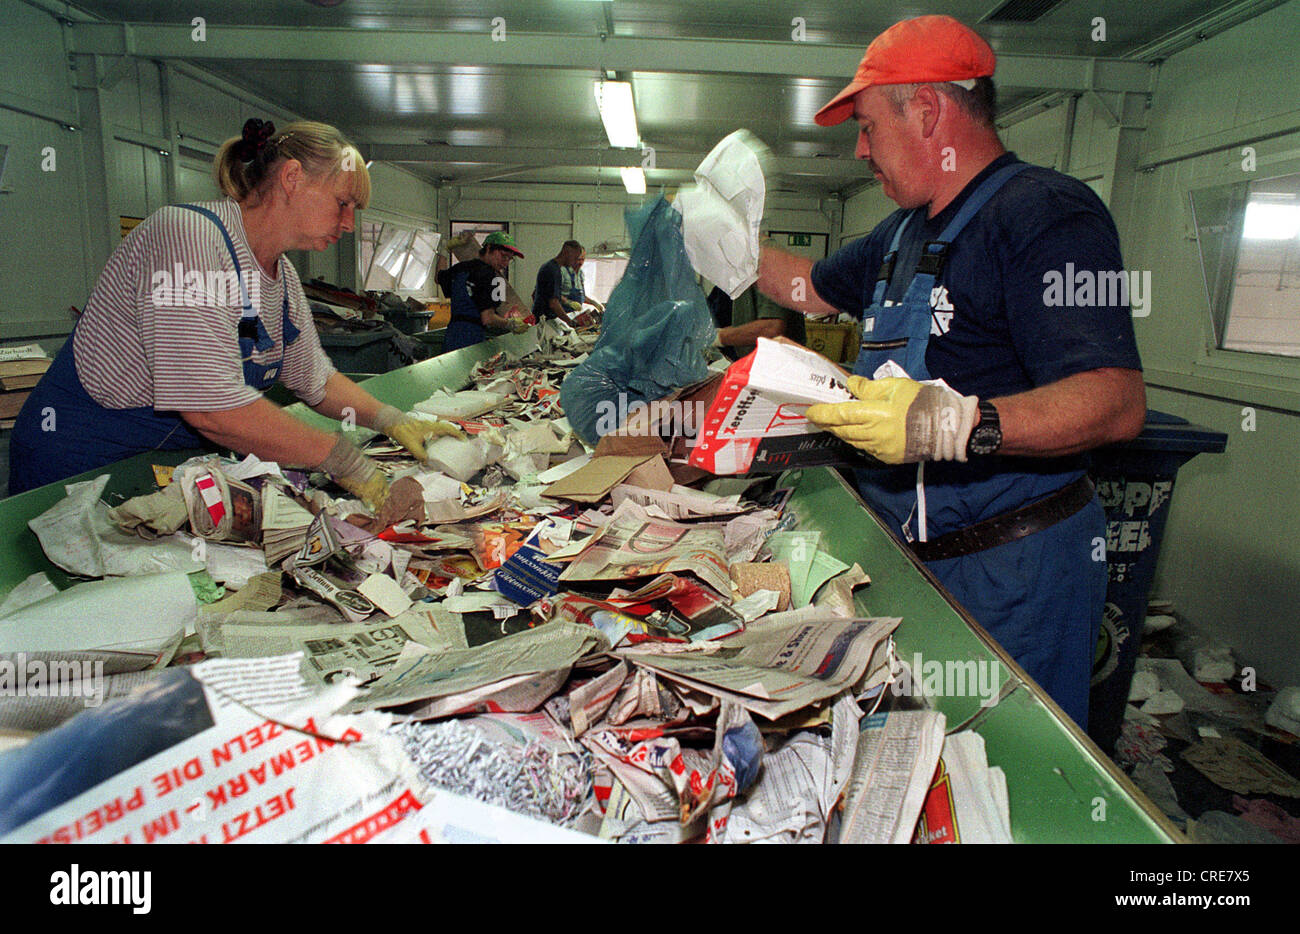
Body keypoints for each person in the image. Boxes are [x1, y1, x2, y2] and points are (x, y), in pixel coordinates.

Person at [757, 15, 1146, 728]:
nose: (861, 149)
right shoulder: (900, 233)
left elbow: (1115, 401)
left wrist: (954, 423)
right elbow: (810, 288)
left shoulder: (1045, 214)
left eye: (869, 126)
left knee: (1008, 768)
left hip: (1012, 570)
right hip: (913, 555)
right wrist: (731, 244)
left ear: (928, 110)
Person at [8, 118, 459, 510]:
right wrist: (345, 461)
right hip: (80, 464)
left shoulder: (278, 275)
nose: (347, 225)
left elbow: (315, 379)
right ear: (292, 178)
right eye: (343, 204)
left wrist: (389, 419)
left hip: (162, 464)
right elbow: (211, 407)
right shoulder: (188, 237)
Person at [436, 231, 529, 353]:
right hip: (471, 339)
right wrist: (510, 324)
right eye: (503, 256)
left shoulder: (462, 267)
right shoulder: (489, 275)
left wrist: (445, 249)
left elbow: (438, 277)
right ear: (489, 248)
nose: (505, 263)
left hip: (452, 335)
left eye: (509, 259)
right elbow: (488, 318)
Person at [713, 283, 806, 360]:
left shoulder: (766, 268)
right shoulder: (738, 276)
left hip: (776, 366)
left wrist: (718, 337)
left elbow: (771, 328)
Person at [531, 241, 581, 327]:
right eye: (575, 258)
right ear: (566, 252)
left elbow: (535, 294)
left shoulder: (550, 266)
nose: (576, 262)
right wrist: (570, 322)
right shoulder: (553, 270)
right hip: (544, 322)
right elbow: (553, 303)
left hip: (541, 318)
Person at [559, 245, 605, 316]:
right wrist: (568, 302)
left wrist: (594, 303)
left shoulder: (579, 275)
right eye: (578, 259)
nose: (580, 262)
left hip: (573, 314)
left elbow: (582, 297)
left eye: (582, 259)